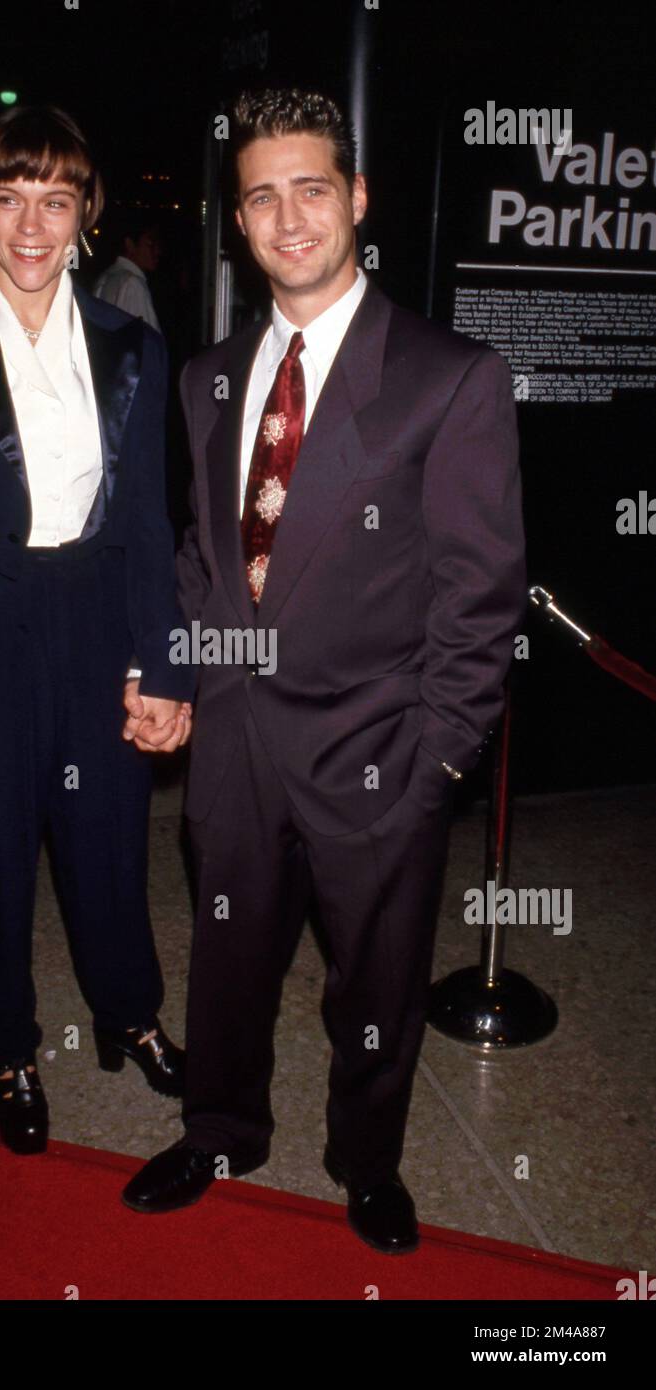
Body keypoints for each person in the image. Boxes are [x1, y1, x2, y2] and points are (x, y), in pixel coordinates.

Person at [122, 88, 526, 1252]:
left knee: (375, 984)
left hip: (377, 751)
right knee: (228, 954)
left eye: (310, 188)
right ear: (237, 220)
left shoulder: (451, 377)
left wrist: (434, 761)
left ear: (355, 198)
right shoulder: (206, 375)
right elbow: (209, 556)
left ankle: (365, 1160)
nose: (287, 216)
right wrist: (179, 678)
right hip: (237, 744)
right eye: (261, 195)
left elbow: (479, 595)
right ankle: (218, 1128)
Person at [0, 105, 192, 1156]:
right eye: (10, 197)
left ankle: (128, 1015)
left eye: (55, 201)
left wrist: (167, 665)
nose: (30, 225)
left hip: (99, 620)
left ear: (85, 214)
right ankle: (10, 1044)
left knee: (109, 844)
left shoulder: (132, 345)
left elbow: (151, 521)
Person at [93, 211, 162, 331]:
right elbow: (148, 343)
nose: (157, 251)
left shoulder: (105, 277)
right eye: (150, 244)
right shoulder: (132, 284)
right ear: (130, 244)